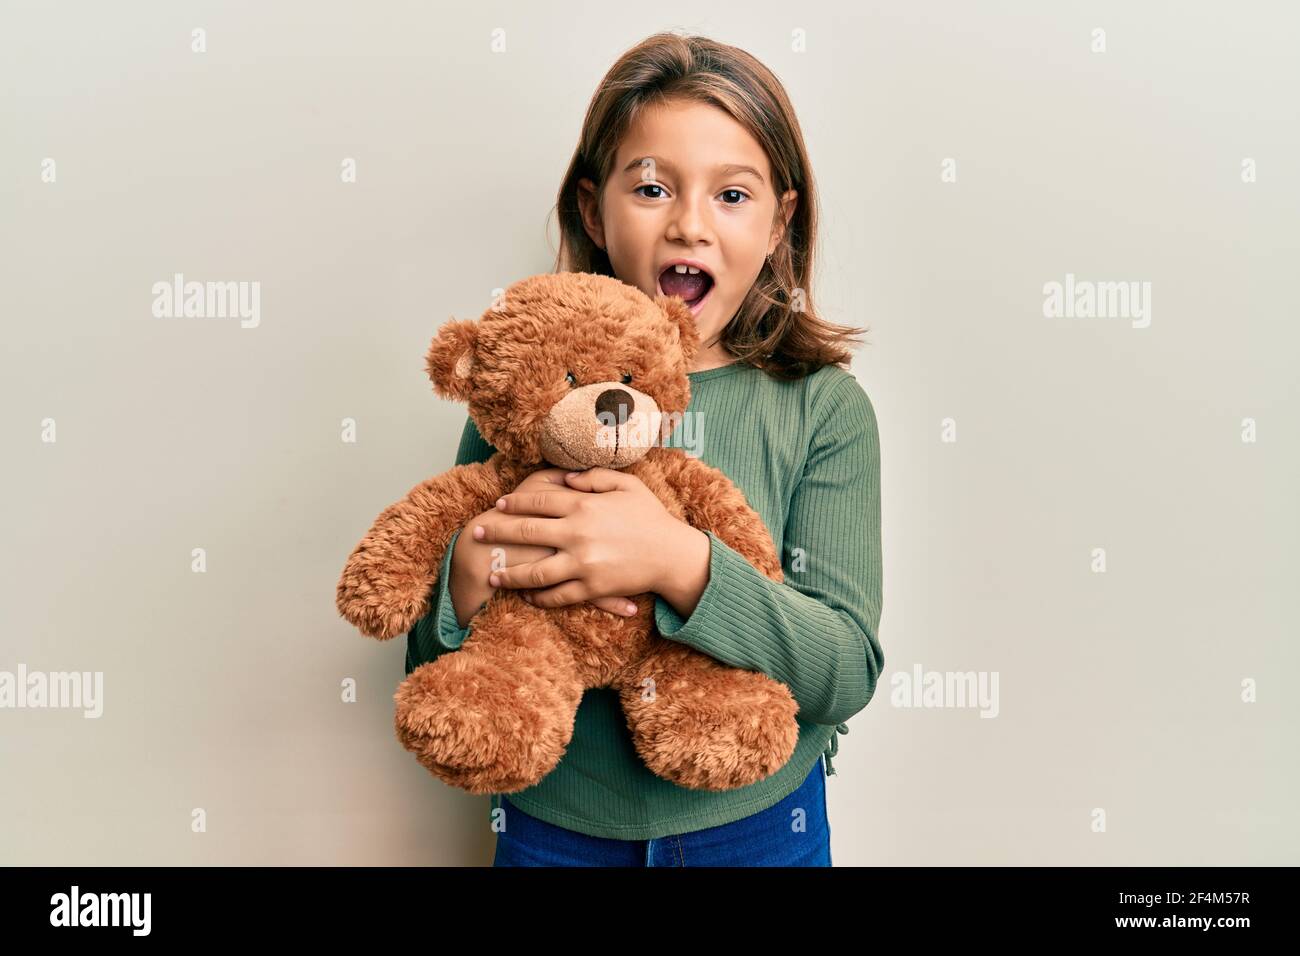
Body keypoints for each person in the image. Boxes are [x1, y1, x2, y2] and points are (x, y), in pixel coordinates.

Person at [405, 31, 883, 867]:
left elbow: (844, 668)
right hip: (554, 828)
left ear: (781, 222)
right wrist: (472, 574)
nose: (689, 225)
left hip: (762, 826)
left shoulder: (822, 408)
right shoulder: (521, 401)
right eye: (654, 188)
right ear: (593, 211)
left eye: (732, 196)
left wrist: (679, 563)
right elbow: (430, 647)